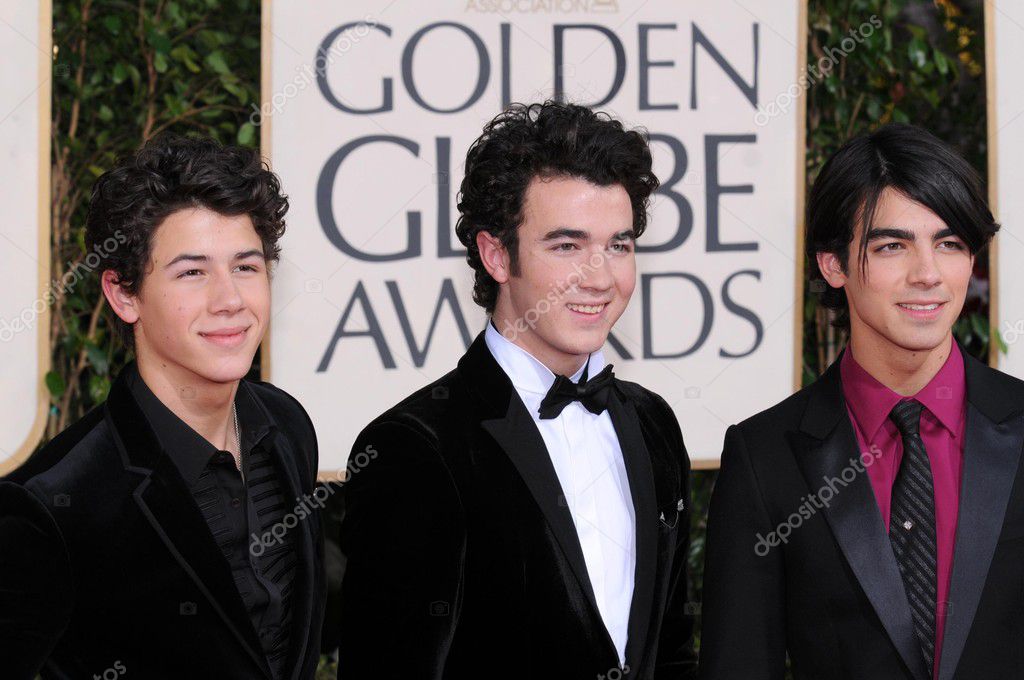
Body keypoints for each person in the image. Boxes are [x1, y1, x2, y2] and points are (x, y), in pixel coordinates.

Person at [337, 101, 697, 679]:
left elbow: (673, 650)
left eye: (619, 245)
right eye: (566, 246)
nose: (601, 276)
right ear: (496, 255)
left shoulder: (653, 425)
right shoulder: (416, 447)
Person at [0, 135, 325, 679]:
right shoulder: (53, 504)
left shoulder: (287, 428)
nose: (229, 300)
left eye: (246, 267)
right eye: (192, 272)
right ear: (123, 294)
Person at [699, 123, 1014, 680]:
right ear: (833, 264)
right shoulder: (765, 457)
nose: (927, 275)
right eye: (892, 245)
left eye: (950, 244)